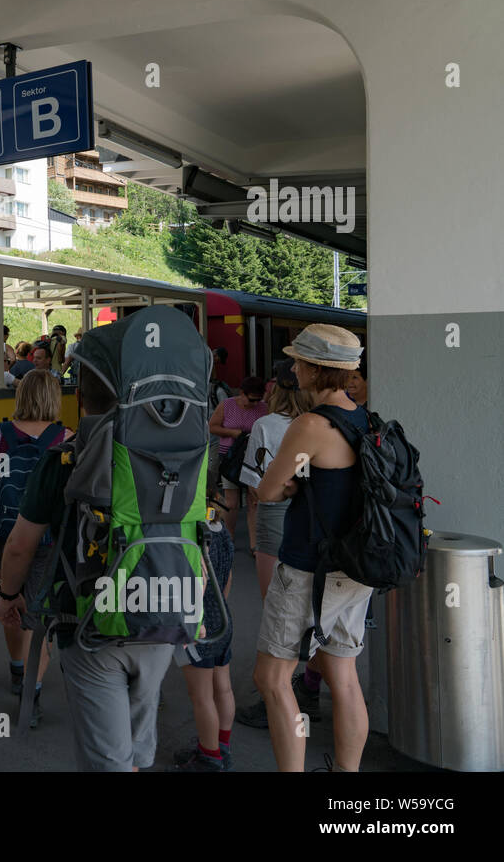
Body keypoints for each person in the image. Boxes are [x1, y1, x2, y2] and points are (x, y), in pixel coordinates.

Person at [0, 358, 171, 771]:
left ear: (78, 398)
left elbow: (20, 546)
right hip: (163, 612)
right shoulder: (167, 455)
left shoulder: (63, 459)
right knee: (136, 748)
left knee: (106, 757)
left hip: (90, 619)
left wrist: (8, 595)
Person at [252, 324, 371, 772]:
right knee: (343, 676)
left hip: (307, 570)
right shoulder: (363, 418)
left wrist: (286, 489)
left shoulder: (310, 424)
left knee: (272, 678)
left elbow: (267, 490)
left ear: (318, 369)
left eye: (299, 361)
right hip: (353, 568)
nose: (293, 368)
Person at [0, 372, 68, 726]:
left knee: (9, 598)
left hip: (6, 536)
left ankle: (17, 669)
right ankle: (34, 690)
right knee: (38, 615)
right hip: (47, 539)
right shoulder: (66, 438)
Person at [234, 360, 321, 731]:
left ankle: (278, 697)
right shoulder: (322, 426)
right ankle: (311, 687)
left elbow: (255, 486)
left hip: (275, 517)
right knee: (318, 616)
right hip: (316, 519)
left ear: (277, 391)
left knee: (277, 609)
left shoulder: (264, 426)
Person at [171, 509, 236, 771]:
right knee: (223, 688)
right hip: (222, 618)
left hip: (198, 626)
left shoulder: (191, 533)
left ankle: (209, 757)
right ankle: (221, 745)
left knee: (202, 697)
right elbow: (228, 577)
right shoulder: (222, 530)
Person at [209, 376, 267, 549]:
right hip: (230, 456)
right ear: (242, 393)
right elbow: (212, 427)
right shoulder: (227, 405)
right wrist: (234, 433)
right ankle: (230, 537)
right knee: (231, 501)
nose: (255, 403)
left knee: (253, 501)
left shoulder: (264, 408)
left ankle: (254, 545)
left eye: (258, 399)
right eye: (252, 399)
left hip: (255, 458)